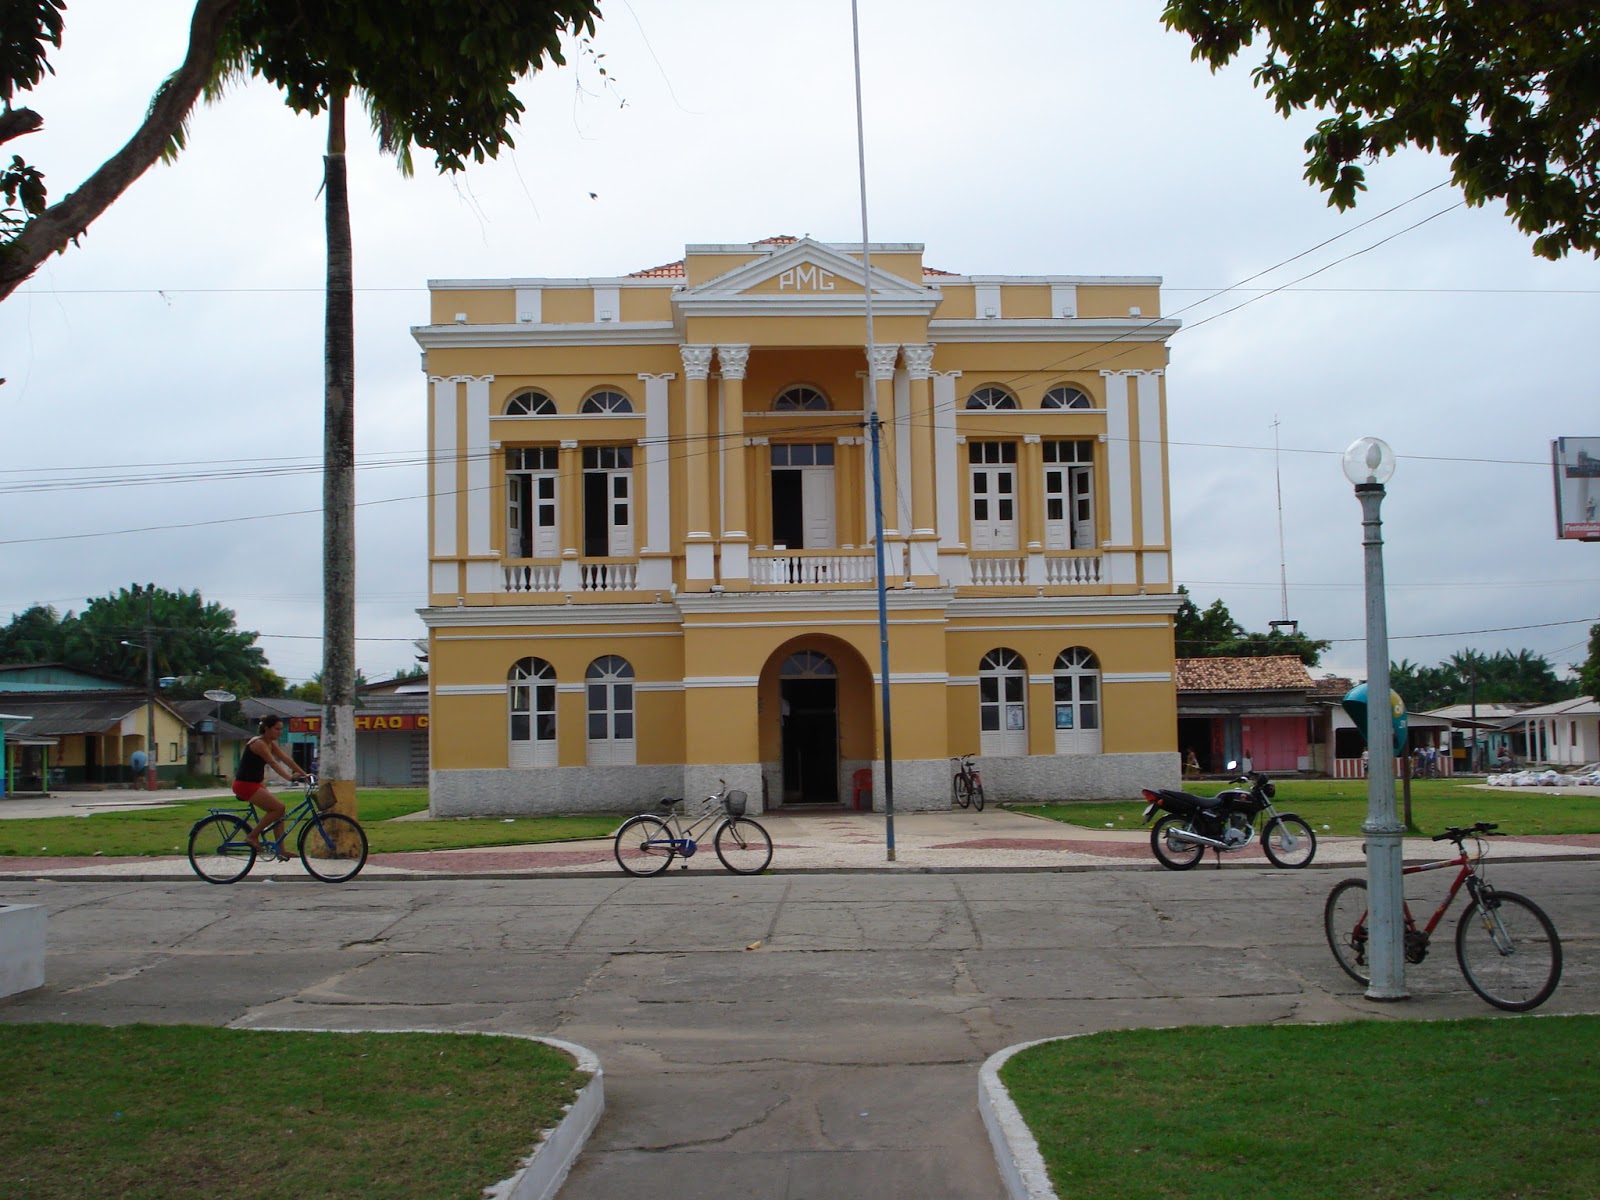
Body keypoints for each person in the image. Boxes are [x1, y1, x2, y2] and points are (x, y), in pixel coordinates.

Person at [233, 716, 309, 858]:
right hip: (244, 785)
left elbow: (287, 759)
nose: (280, 732)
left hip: (255, 784)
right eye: (277, 729)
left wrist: (306, 775)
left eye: (281, 729)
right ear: (267, 729)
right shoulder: (259, 743)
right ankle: (252, 836)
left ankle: (281, 850)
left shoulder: (270, 743)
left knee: (279, 812)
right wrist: (290, 778)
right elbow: (274, 763)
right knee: (278, 808)